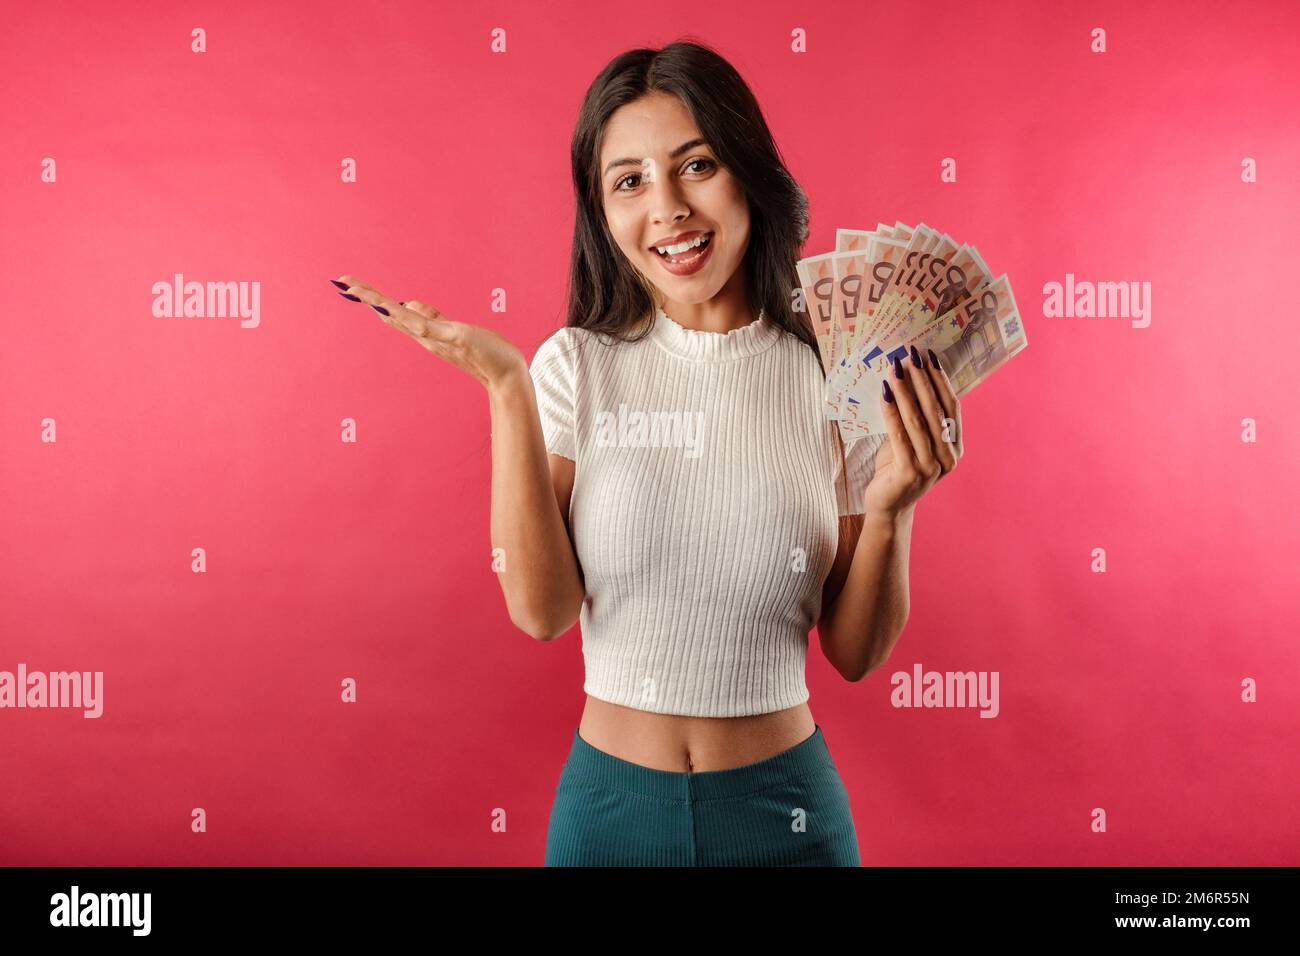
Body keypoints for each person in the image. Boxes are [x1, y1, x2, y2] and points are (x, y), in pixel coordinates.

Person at [331, 38, 962, 866]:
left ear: (747, 172)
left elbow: (855, 653)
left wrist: (891, 512)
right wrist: (508, 388)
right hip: (609, 817)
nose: (667, 209)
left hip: (787, 817)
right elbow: (541, 612)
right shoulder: (575, 368)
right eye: (629, 181)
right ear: (603, 212)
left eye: (696, 166)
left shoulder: (833, 372)